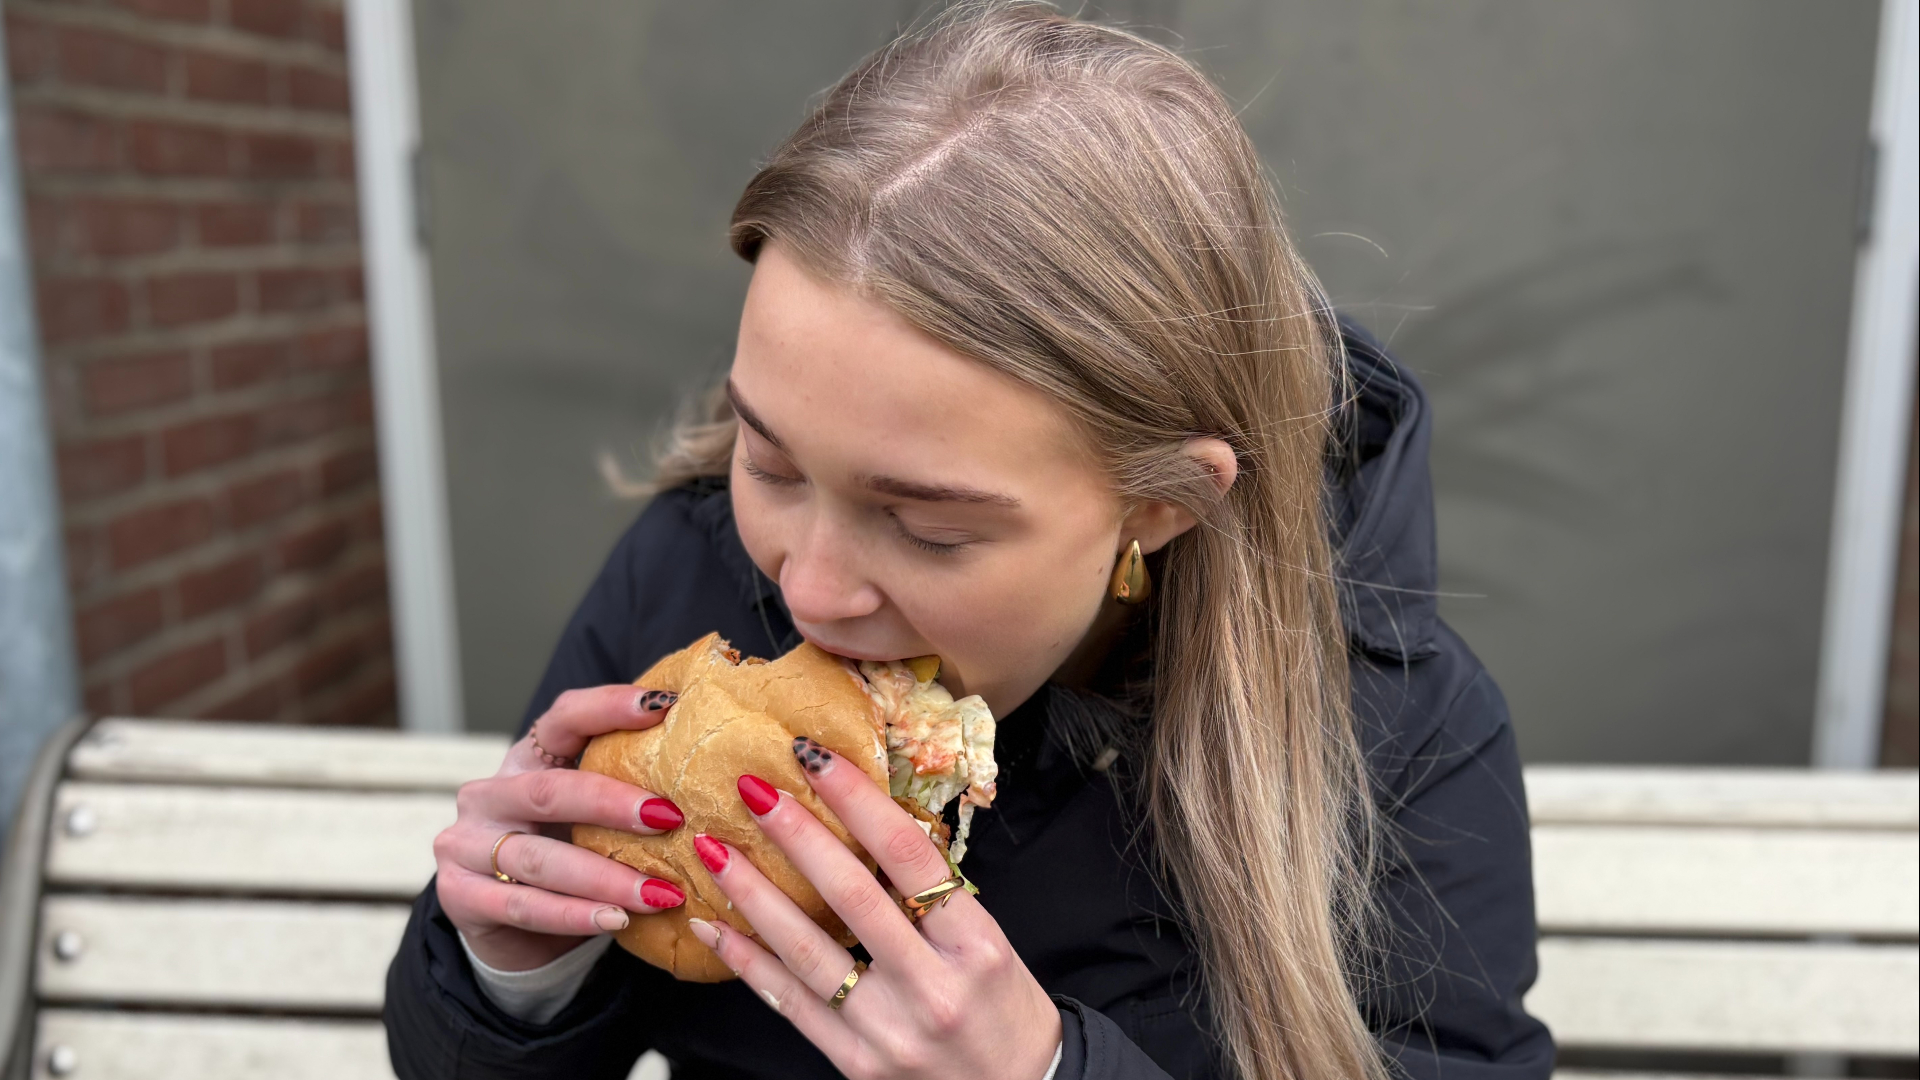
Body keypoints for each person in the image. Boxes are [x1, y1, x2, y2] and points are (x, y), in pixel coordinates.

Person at [383, 5, 1553, 1078]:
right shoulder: (682, 575)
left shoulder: (1400, 731)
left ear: (1162, 504)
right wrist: (512, 973)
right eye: (771, 462)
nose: (811, 590)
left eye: (927, 526)